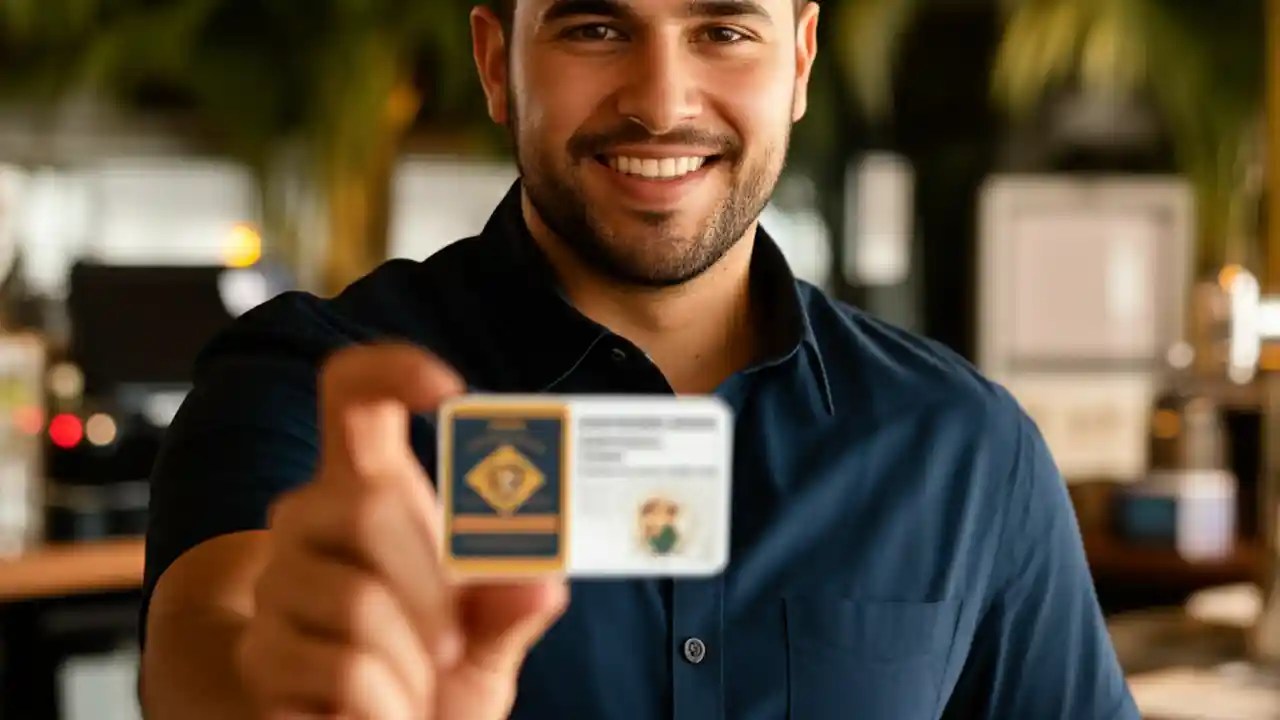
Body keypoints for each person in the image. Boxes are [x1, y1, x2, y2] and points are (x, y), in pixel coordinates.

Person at [138, 0, 1141, 718]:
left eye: (722, 29)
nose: (660, 101)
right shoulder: (313, 386)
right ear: (497, 63)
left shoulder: (960, 446)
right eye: (594, 27)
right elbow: (211, 642)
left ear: (797, 60)